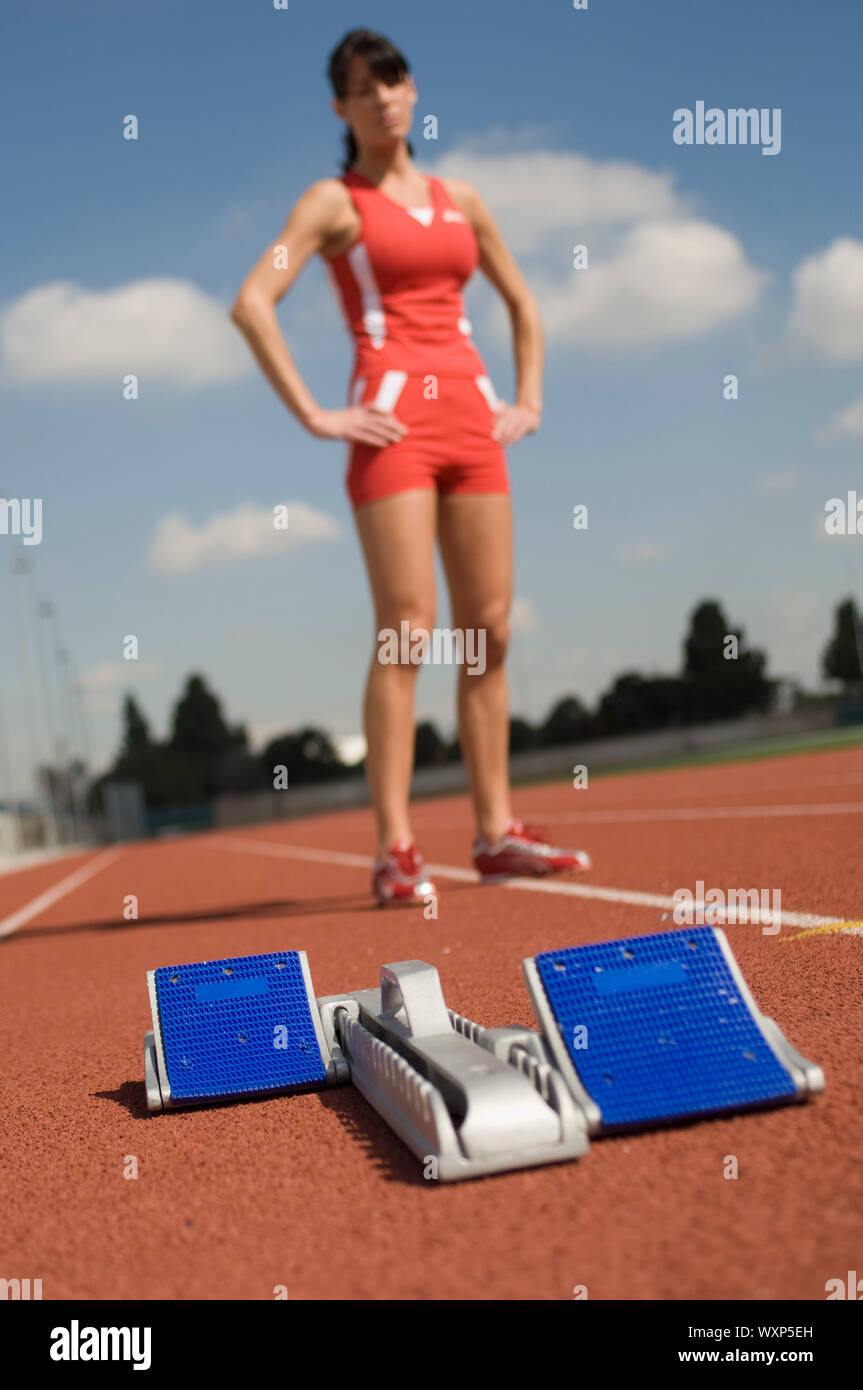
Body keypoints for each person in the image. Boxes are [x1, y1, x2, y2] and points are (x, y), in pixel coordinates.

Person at [230, 28, 591, 906]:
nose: (382, 98)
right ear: (340, 108)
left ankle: (496, 832)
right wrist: (317, 412)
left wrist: (528, 397)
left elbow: (520, 300)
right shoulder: (329, 203)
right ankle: (395, 846)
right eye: (362, 89)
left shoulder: (462, 199)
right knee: (407, 627)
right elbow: (252, 300)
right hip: (392, 431)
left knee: (491, 627)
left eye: (392, 81)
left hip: (473, 423)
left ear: (413, 90)